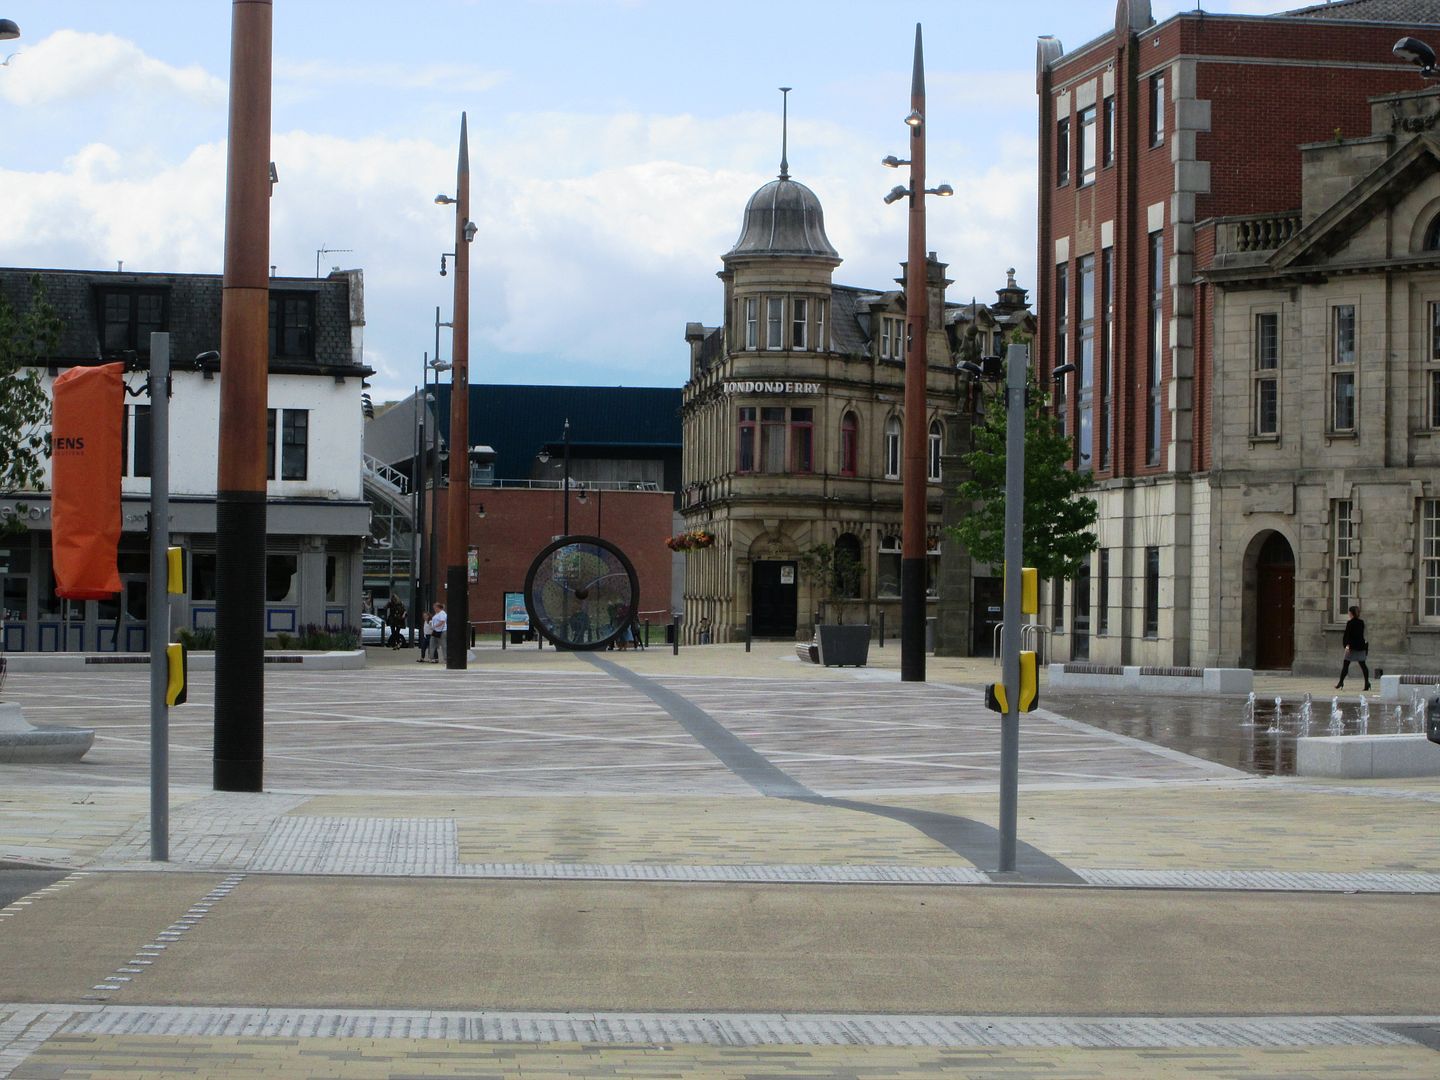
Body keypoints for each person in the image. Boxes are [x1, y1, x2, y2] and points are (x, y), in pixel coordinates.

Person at [1336, 604, 1370, 691]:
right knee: (1363, 665)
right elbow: (1360, 635)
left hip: (1351, 647)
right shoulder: (1361, 622)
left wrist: (1346, 646)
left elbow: (1347, 636)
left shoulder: (1350, 623)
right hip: (1360, 646)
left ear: (1351, 613)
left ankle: (1341, 682)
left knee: (1346, 665)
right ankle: (1367, 683)